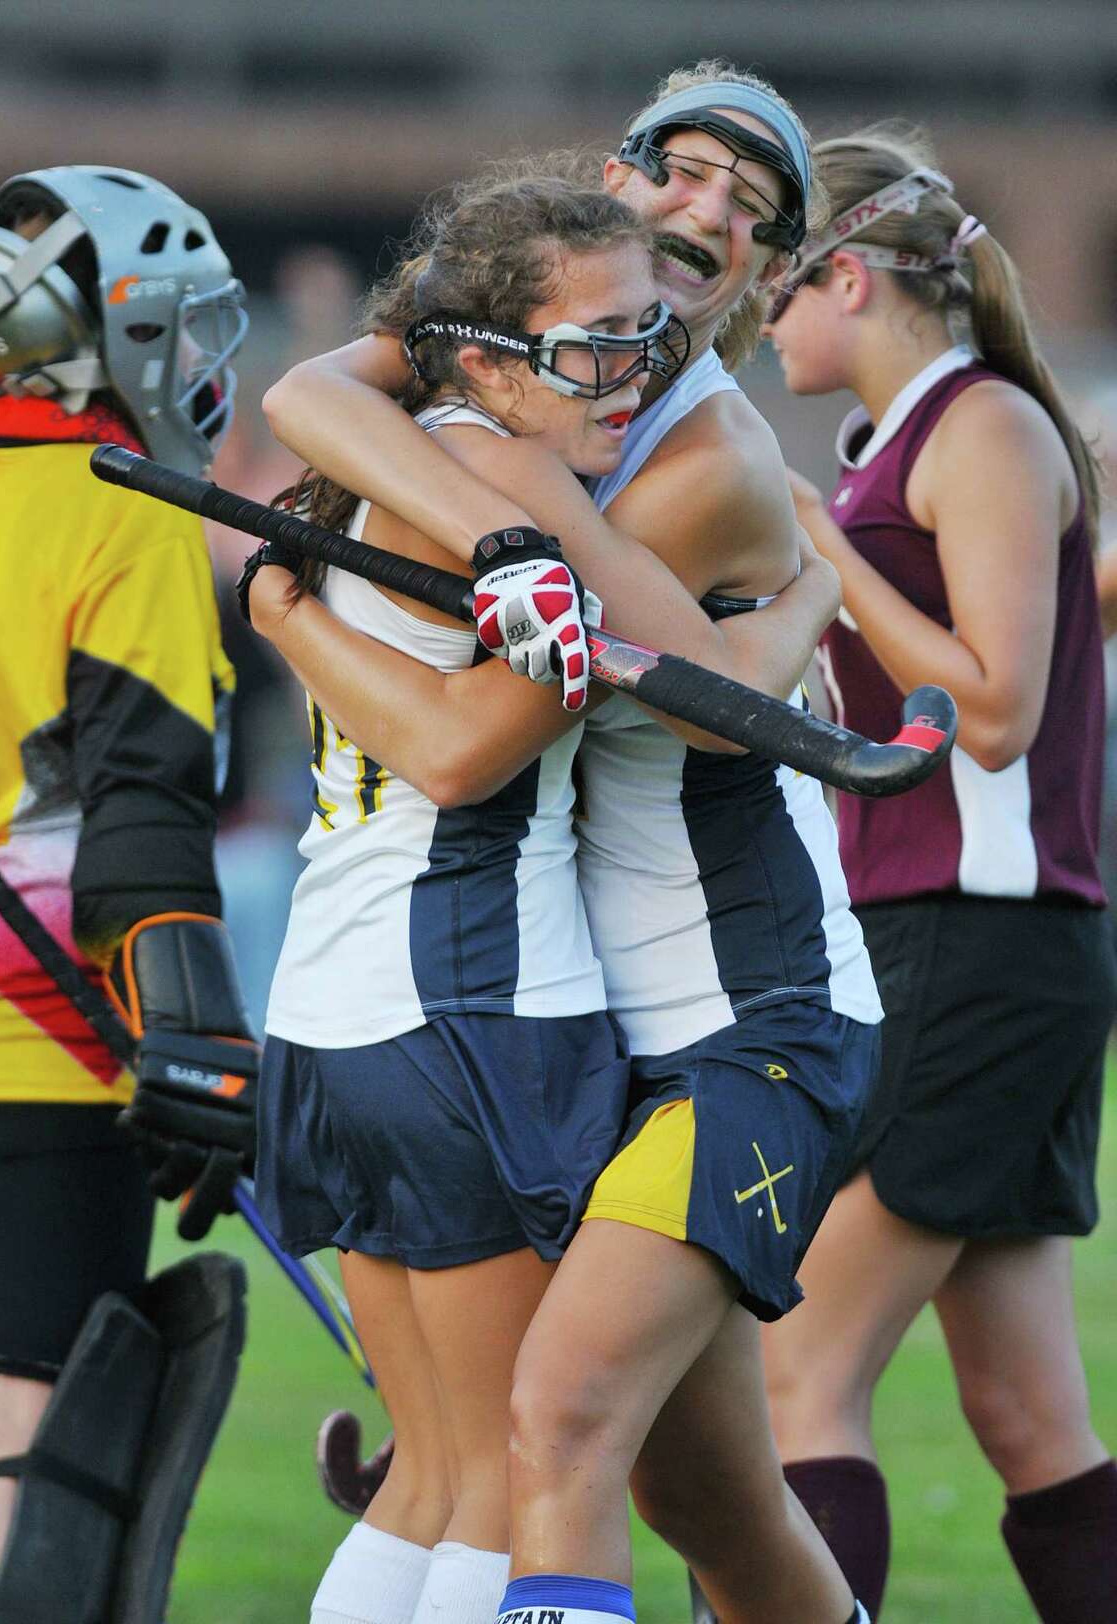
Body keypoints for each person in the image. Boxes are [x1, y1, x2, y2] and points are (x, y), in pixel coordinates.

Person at [259, 63, 882, 1624]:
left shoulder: (685, 450)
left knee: (554, 1426)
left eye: (753, 211)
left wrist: (806, 584)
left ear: (772, 277)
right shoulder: (526, 367)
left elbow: (714, 707)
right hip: (585, 1014)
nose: (704, 210)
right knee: (714, 1503)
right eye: (683, 169)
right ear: (614, 180)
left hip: (746, 1021)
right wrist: (492, 526)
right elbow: (305, 396)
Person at [759, 126, 1117, 1623]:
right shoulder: (900, 442)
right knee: (1030, 1420)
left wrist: (823, 560)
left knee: (794, 1378)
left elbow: (994, 712)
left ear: (849, 277)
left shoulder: (980, 429)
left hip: (975, 948)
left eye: (777, 285)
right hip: (981, 949)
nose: (761, 319)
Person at [0, 165, 257, 1624]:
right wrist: (202, 1034)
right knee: (18, 1460)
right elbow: (142, 814)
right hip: (33, 1054)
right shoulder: (131, 514)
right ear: (116, 336)